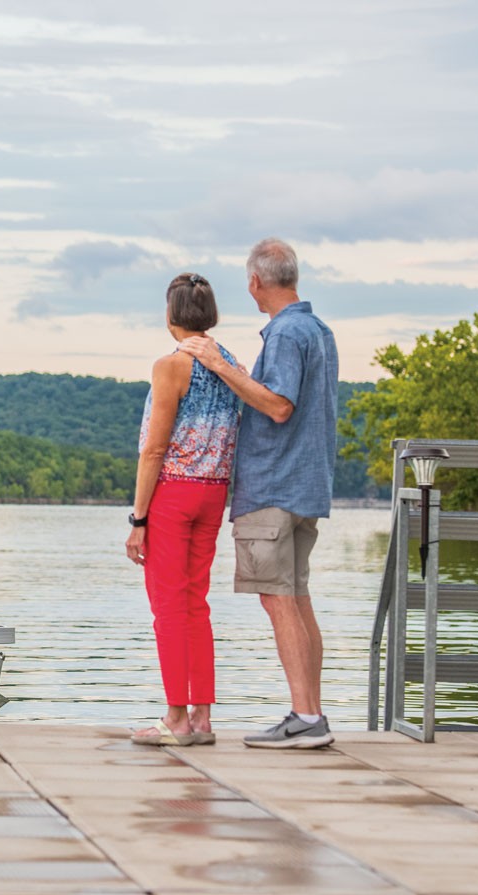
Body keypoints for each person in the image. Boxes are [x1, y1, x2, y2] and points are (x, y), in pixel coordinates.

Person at [180, 237, 339, 749]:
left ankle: (305, 718)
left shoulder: (288, 333)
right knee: (297, 598)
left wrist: (223, 368)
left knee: (278, 601)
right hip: (304, 485)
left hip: (274, 485)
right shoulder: (318, 330)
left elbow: (278, 406)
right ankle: (310, 715)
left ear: (255, 281)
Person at [125, 274, 241, 747]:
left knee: (168, 608)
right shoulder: (228, 363)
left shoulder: (172, 365)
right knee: (196, 604)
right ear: (209, 314)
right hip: (214, 493)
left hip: (173, 492)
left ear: (171, 315)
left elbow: (154, 450)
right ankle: (202, 718)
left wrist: (138, 519)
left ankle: (175, 718)